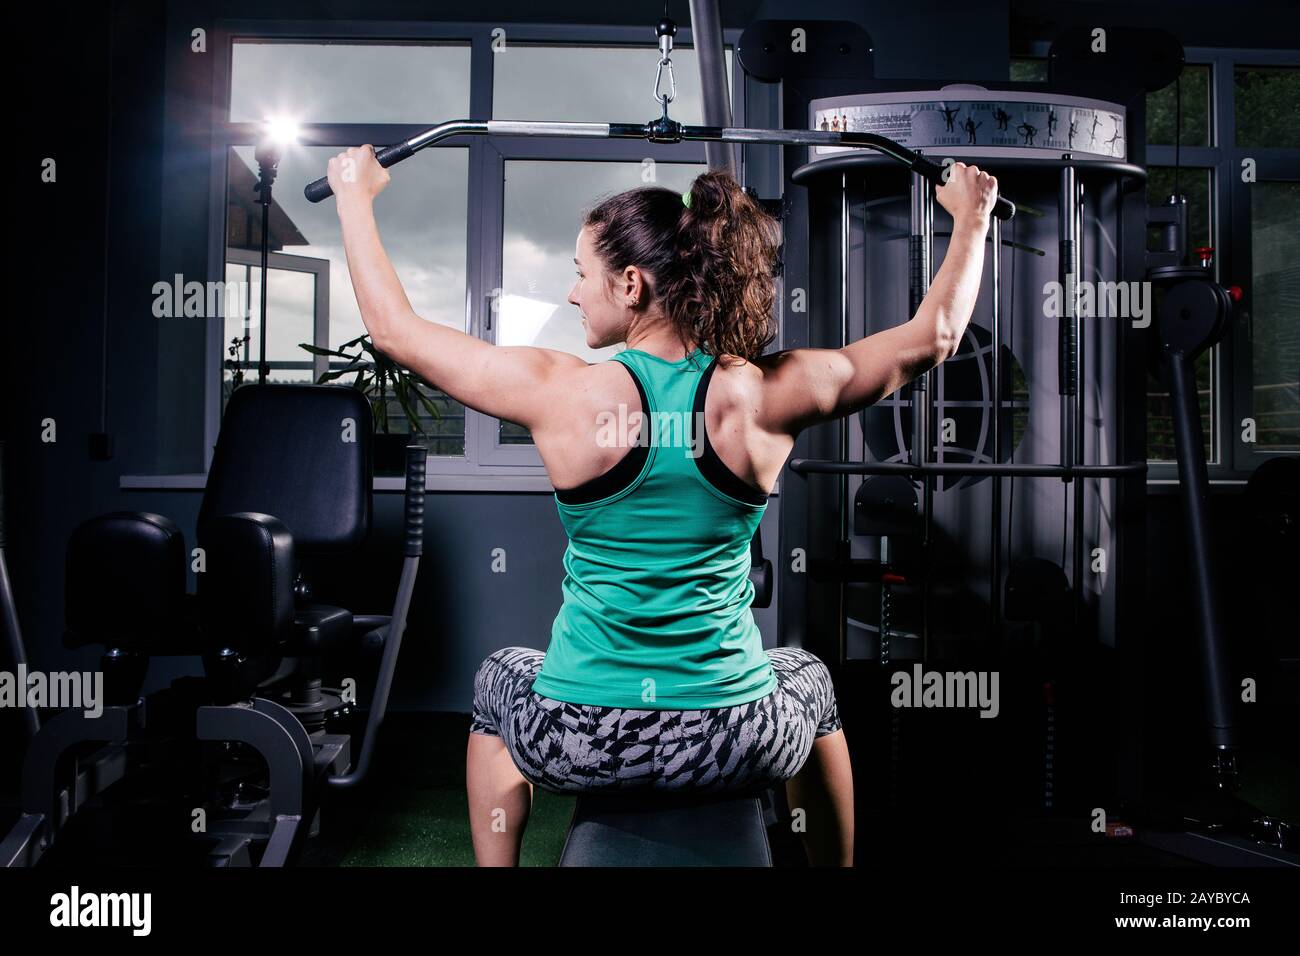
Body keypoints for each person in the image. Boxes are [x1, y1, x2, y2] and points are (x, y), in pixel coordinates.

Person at [327, 147, 998, 868]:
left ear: (631, 283)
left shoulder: (560, 392)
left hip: (582, 737)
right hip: (732, 733)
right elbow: (934, 338)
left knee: (498, 678)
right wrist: (972, 217)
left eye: (582, 274)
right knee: (809, 678)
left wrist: (354, 196)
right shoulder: (766, 393)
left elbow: (395, 332)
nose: (572, 294)